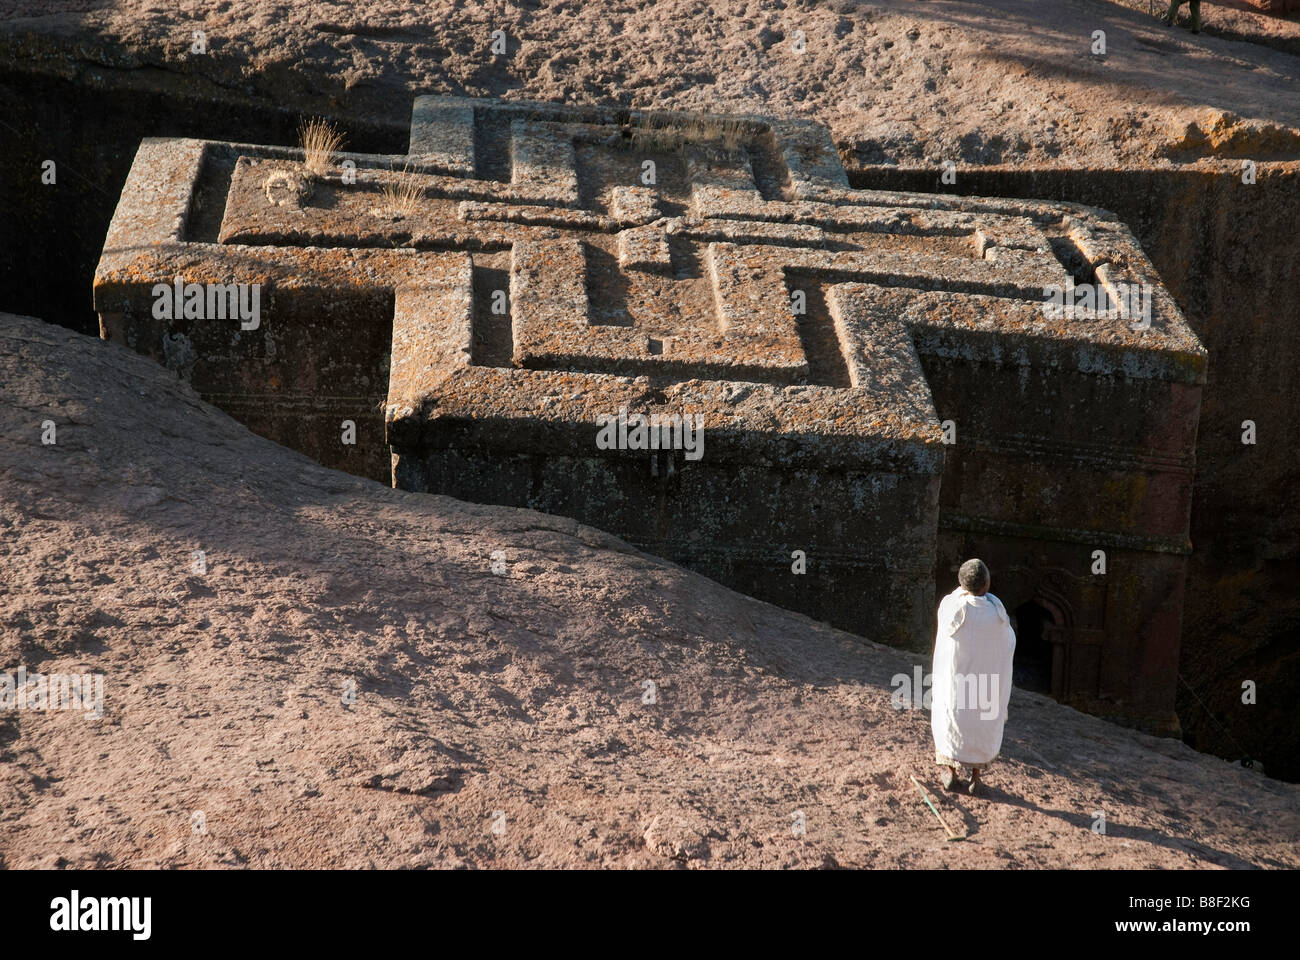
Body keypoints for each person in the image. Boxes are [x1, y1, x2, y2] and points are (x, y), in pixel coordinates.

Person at [931, 559, 1016, 795]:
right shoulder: (997, 615)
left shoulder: (950, 607)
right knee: (980, 725)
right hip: (985, 690)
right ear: (987, 584)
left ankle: (950, 771)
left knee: (951, 721)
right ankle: (976, 777)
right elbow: (1008, 643)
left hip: (956, 688)